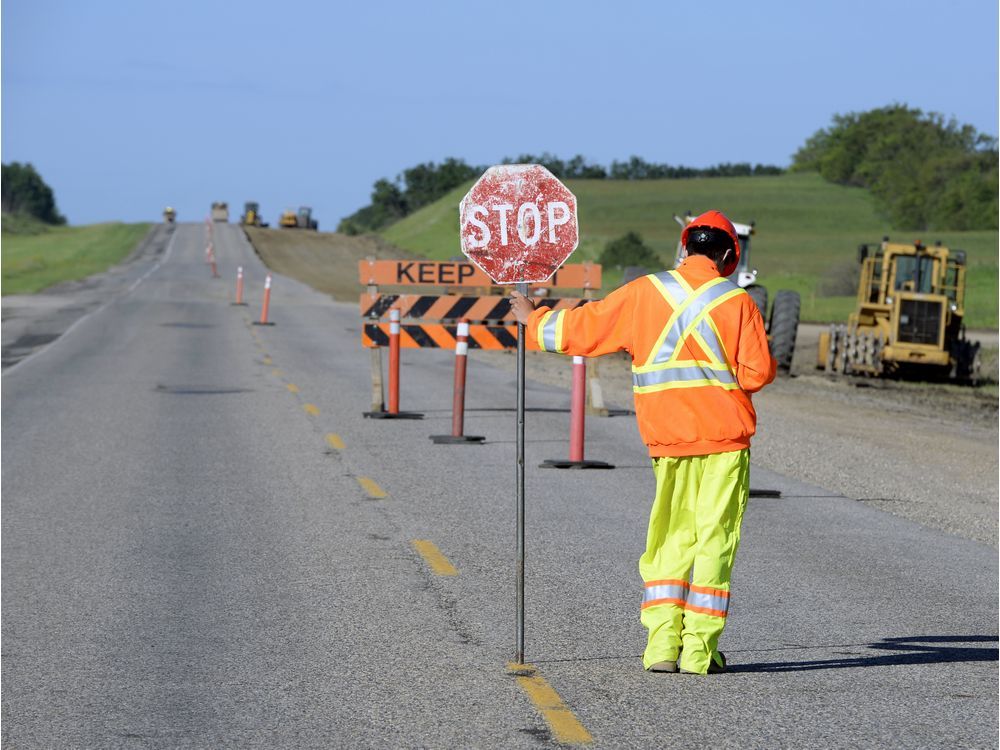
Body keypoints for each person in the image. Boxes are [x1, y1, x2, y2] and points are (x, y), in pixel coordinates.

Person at [509, 209, 776, 675]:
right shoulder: (738, 303)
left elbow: (580, 332)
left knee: (670, 538)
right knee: (714, 540)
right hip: (725, 441)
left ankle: (660, 648)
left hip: (667, 439)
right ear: (730, 255)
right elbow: (758, 373)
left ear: (685, 246)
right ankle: (699, 653)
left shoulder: (642, 293)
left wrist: (533, 319)